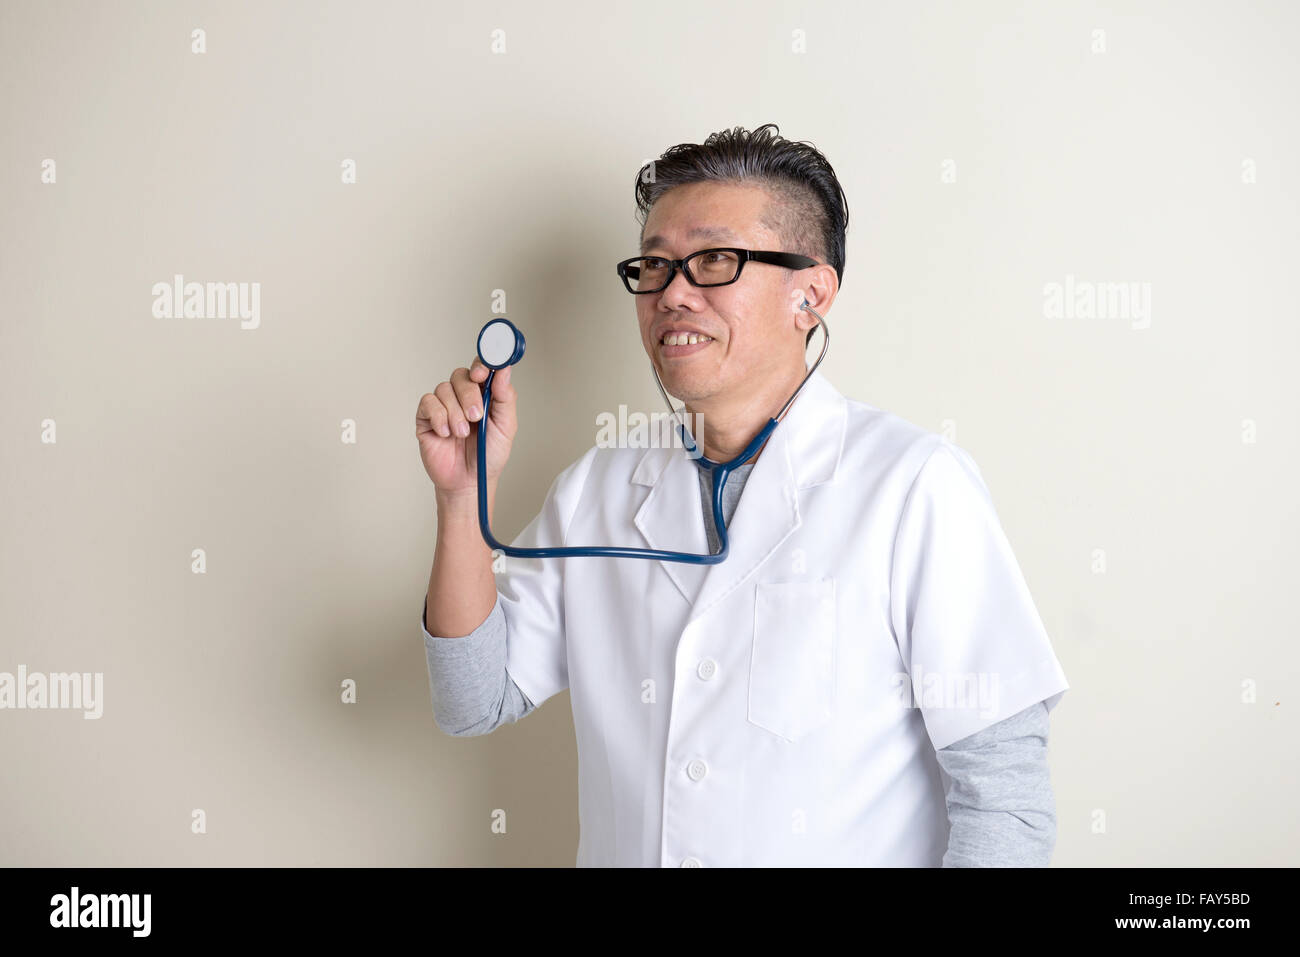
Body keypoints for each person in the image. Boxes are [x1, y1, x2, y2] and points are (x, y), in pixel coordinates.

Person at [415, 124, 1069, 867]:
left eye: (715, 260)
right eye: (654, 266)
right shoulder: (596, 489)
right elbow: (472, 702)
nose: (672, 293)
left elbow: (1005, 801)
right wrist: (463, 499)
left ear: (810, 294)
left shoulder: (914, 486)